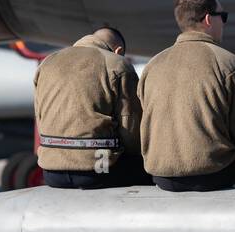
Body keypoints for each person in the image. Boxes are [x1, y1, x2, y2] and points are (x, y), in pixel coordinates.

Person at [140, 0, 235, 191]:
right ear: (208, 19)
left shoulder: (151, 66)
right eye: (222, 16)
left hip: (161, 176)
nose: (223, 22)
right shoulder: (230, 65)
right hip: (213, 174)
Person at [33, 26, 149, 188]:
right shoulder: (116, 64)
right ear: (118, 51)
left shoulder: (47, 62)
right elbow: (130, 129)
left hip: (51, 172)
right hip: (98, 170)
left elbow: (40, 116)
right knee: (151, 171)